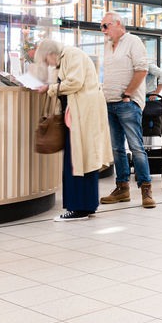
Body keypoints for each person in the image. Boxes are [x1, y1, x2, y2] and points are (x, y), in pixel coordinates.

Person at [34, 39, 113, 220]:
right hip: (78, 115)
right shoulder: (66, 58)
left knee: (77, 161)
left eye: (46, 60)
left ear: (50, 54)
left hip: (82, 115)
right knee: (83, 159)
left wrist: (50, 88)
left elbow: (75, 82)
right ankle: (87, 205)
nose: (48, 64)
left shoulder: (72, 55)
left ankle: (78, 208)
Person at [98, 12, 156, 208]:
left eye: (105, 26)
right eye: (101, 27)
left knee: (136, 147)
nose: (103, 30)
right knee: (117, 148)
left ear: (118, 24)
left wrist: (128, 94)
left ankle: (146, 189)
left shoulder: (133, 41)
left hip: (127, 103)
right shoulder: (107, 45)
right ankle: (122, 188)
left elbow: (142, 70)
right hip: (110, 102)